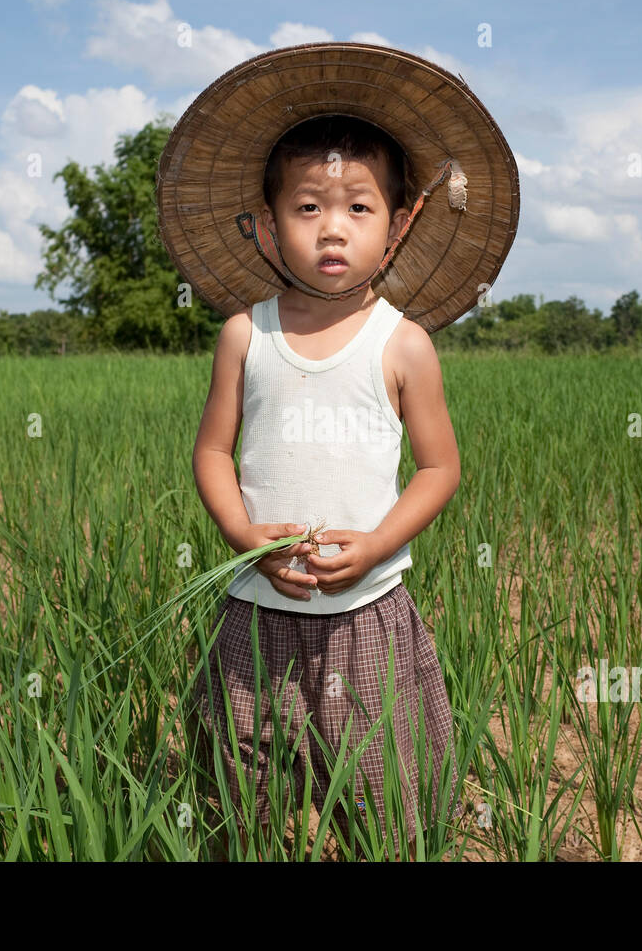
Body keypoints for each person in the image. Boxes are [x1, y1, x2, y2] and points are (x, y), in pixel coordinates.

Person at [156, 42, 519, 860]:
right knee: (241, 786)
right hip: (254, 610)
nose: (332, 228)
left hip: (369, 615)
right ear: (265, 223)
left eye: (359, 208)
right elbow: (213, 454)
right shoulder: (245, 334)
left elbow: (440, 468)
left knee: (385, 794)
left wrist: (378, 545)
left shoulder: (404, 344)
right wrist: (245, 538)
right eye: (308, 206)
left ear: (400, 225)